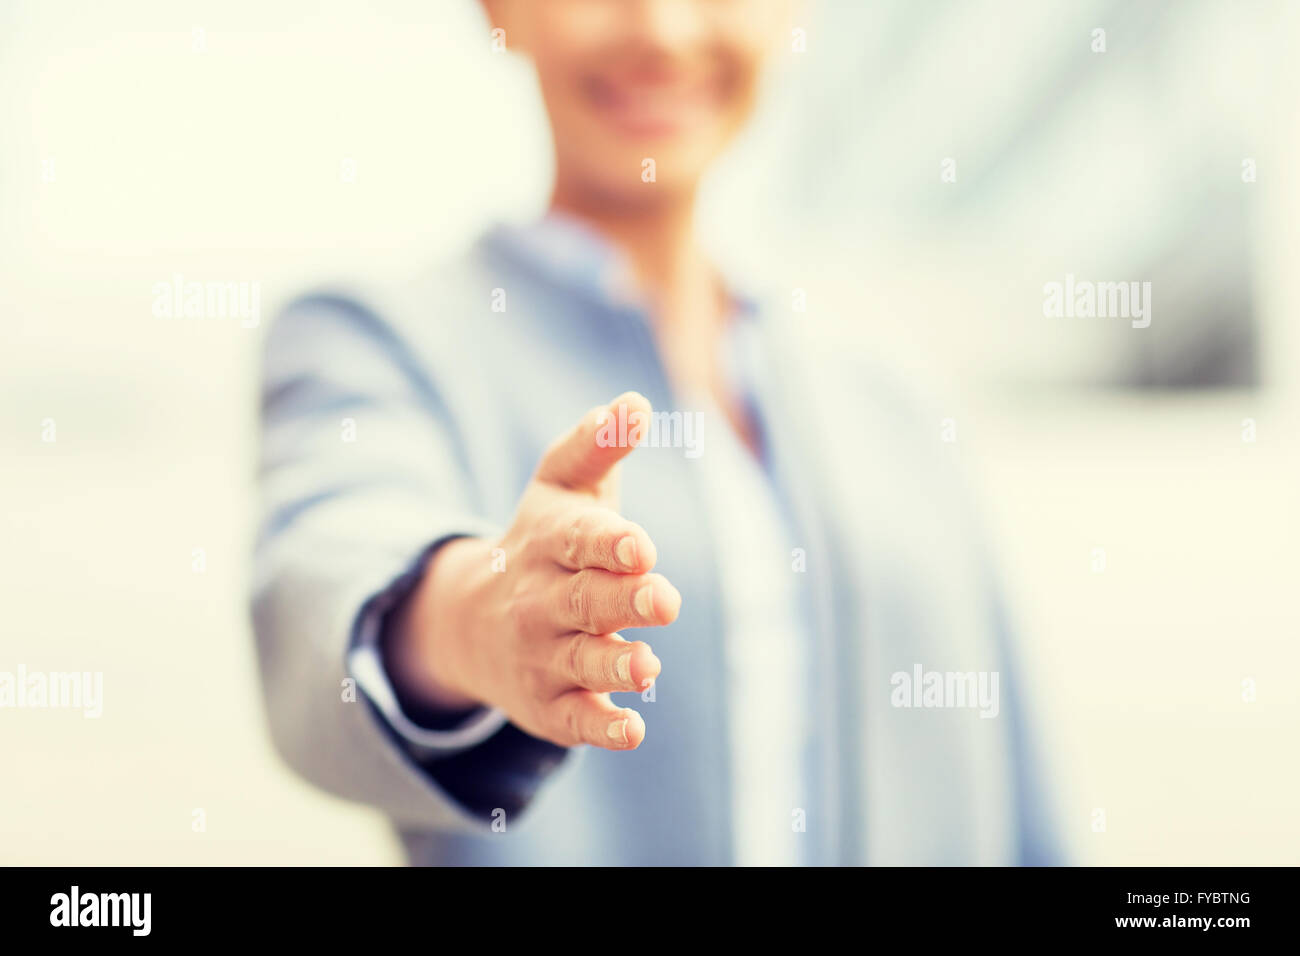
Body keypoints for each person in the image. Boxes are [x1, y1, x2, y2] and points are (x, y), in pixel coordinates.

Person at [252, 0, 1060, 865]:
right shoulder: (378, 339)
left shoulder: (895, 403)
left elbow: (1025, 807)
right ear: (500, 11)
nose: (663, 30)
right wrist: (475, 621)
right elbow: (327, 575)